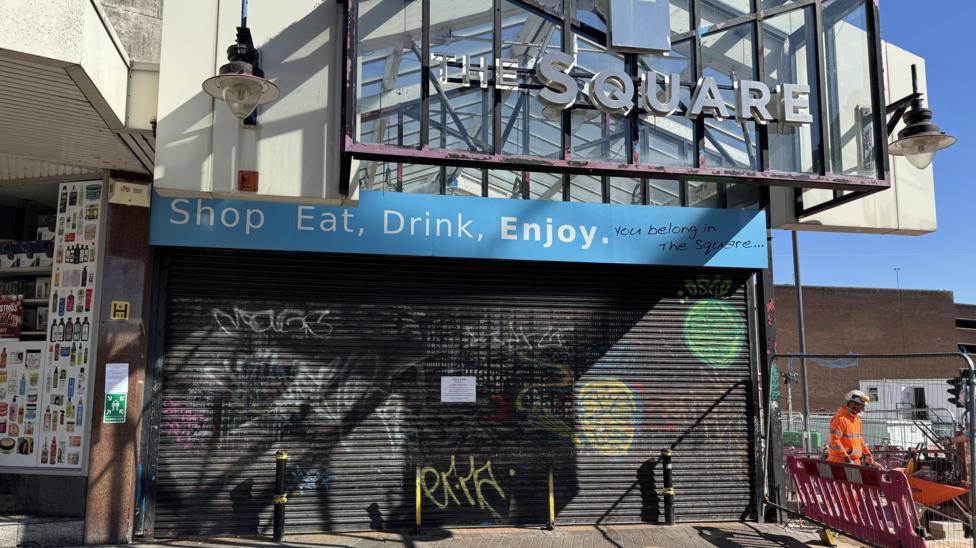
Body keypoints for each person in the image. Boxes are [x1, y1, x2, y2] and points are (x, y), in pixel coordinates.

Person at [827, 390, 876, 466]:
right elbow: (835, 440)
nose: (862, 409)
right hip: (840, 462)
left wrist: (867, 454)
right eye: (861, 406)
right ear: (852, 404)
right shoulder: (840, 419)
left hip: (854, 461)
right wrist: (846, 457)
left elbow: (860, 439)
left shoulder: (857, 419)